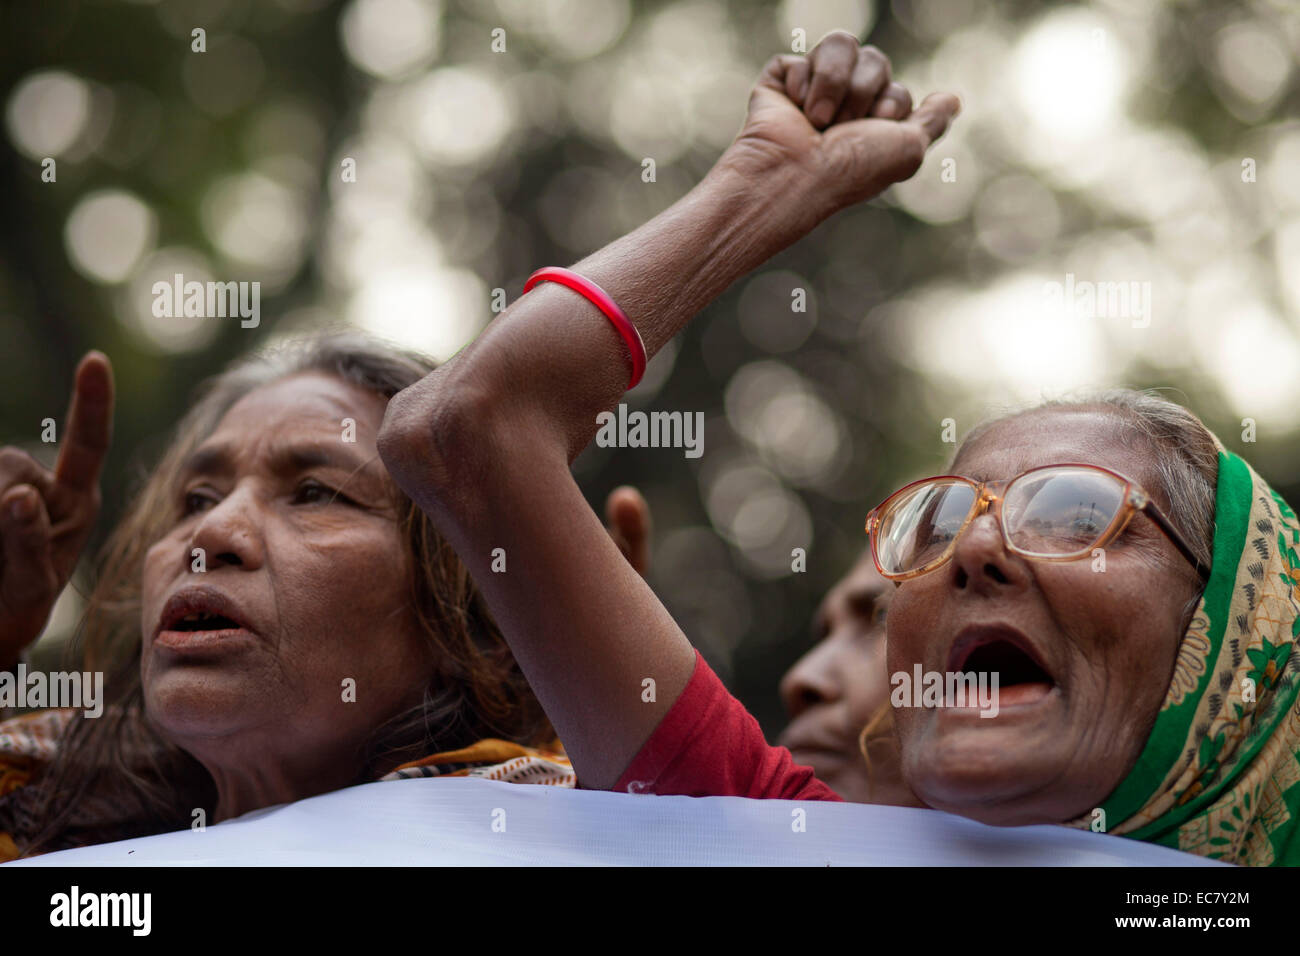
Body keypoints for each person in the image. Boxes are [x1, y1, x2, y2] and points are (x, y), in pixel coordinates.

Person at [375, 32, 1300, 865]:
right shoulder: (782, 846)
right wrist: (765, 186)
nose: (974, 554)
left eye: (1073, 514)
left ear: (1240, 641)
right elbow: (466, 431)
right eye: (930, 527)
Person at [1, 335, 606, 861]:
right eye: (197, 500)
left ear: (474, 622)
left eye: (316, 492)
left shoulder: (569, 832)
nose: (211, 534)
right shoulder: (37, 810)